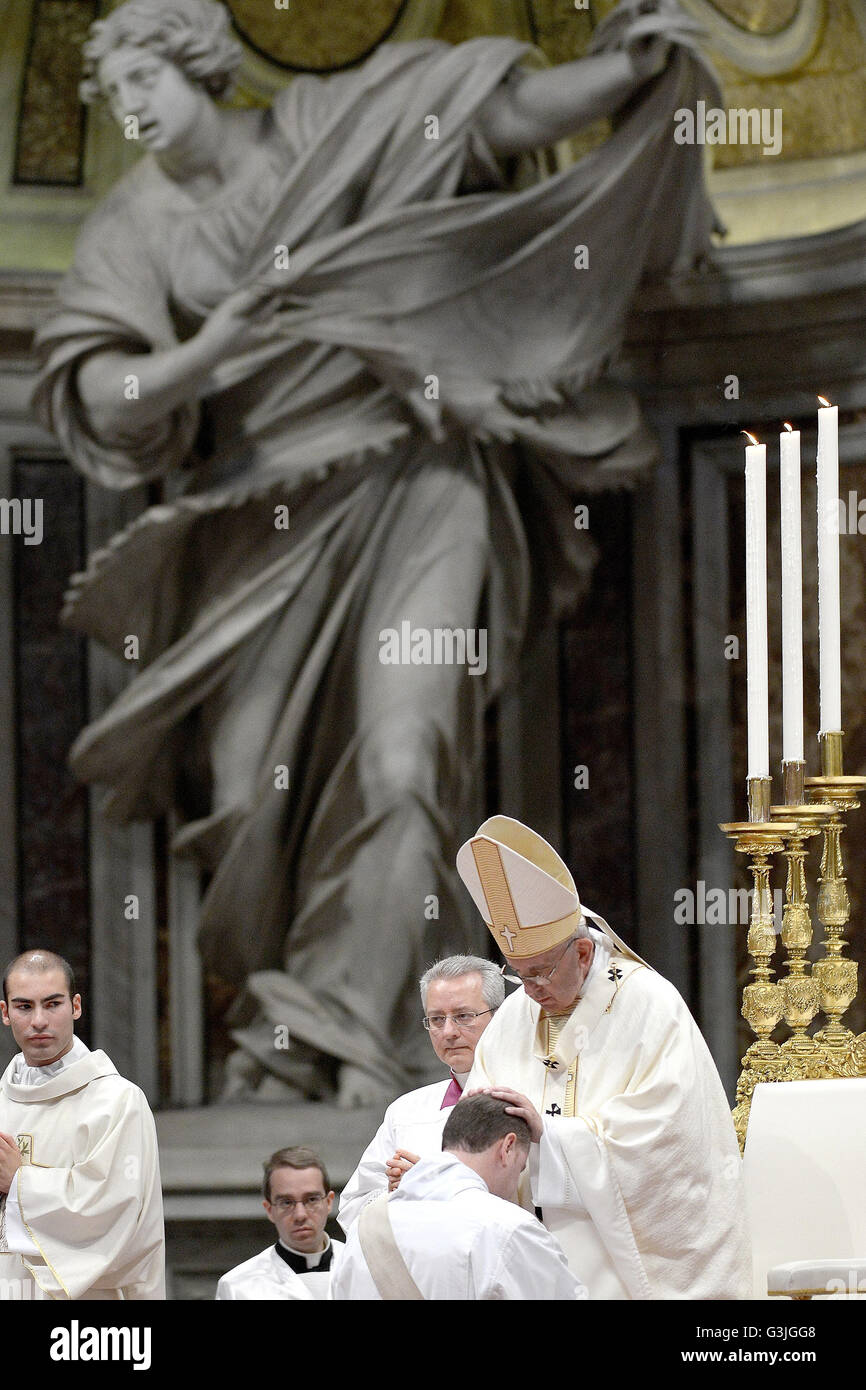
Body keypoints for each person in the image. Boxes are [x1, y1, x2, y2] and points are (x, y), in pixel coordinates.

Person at [33, 0, 720, 1106]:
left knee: (405, 763)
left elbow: (490, 113)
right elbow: (96, 389)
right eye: (115, 98)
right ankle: (319, 1020)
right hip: (254, 522)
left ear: (198, 64)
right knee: (257, 796)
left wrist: (621, 73)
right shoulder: (135, 225)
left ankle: (356, 1044)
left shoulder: (332, 123)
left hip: (417, 476)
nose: (135, 110)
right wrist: (212, 347)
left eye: (146, 82)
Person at [457, 816, 752, 1300]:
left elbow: (672, 1140)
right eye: (518, 975)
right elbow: (481, 1117)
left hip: (625, 1258)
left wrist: (550, 1137)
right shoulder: (514, 1015)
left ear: (581, 953)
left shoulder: (651, 1004)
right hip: (529, 1247)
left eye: (541, 973)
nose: (531, 990)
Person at [0, 950, 165, 1300]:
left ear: (75, 1006)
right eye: (24, 1006)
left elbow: (118, 1215)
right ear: (5, 1013)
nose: (39, 1021)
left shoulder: (117, 1102)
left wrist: (20, 1182)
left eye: (53, 1004)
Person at [332, 1094, 585, 1300]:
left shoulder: (364, 1226)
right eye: (521, 1167)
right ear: (507, 1148)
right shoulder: (509, 1229)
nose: (514, 1184)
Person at [338, 954, 502, 1231]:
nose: (448, 1032)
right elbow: (353, 1208)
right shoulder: (407, 1111)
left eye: (463, 1016)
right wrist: (397, 1195)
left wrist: (434, 1189)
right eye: (436, 1019)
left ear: (500, 1016)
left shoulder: (530, 1097)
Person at [216, 1146, 344, 1300]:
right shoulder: (237, 1286)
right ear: (269, 1210)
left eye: (311, 1199)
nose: (300, 1215)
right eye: (286, 1202)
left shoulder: (364, 1267)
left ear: (329, 1202)